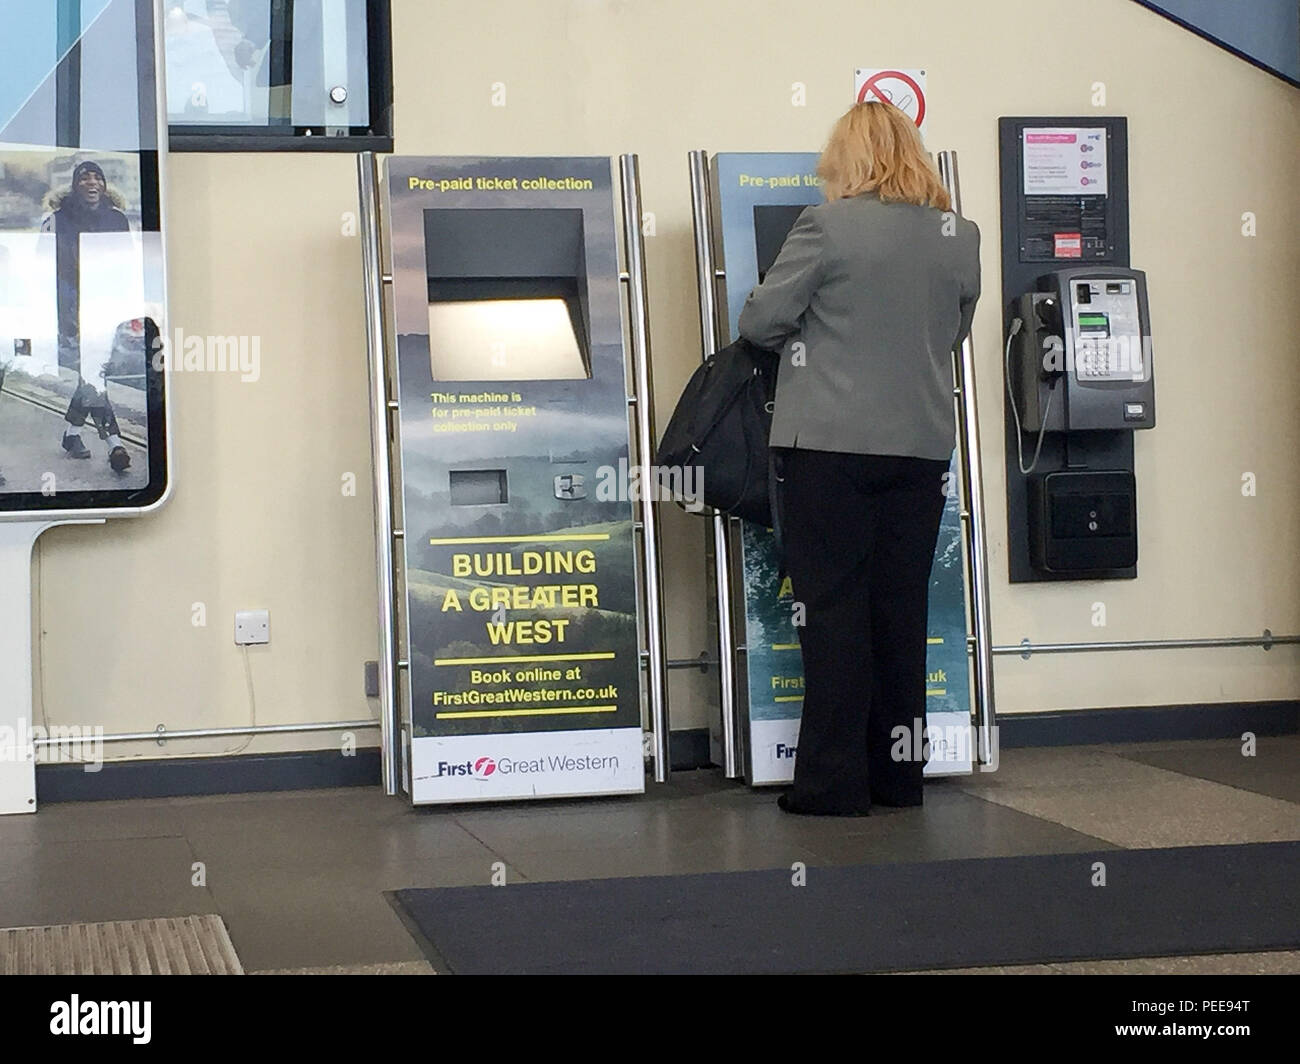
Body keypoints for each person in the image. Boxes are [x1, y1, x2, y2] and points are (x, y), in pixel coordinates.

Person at [738, 101, 981, 815]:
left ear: (851, 160)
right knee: (901, 613)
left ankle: (830, 786)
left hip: (828, 451)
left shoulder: (827, 227)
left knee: (833, 613)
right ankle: (898, 777)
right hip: (920, 451)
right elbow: (953, 332)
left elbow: (761, 321)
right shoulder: (958, 235)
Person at [41, 160, 132, 473]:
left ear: (104, 185)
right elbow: (41, 267)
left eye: (97, 178)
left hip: (106, 310)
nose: (92, 183)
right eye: (85, 178)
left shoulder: (117, 220)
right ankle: (115, 444)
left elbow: (127, 265)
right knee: (93, 375)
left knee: (91, 376)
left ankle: (72, 434)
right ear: (75, 184)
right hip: (69, 312)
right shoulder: (56, 220)